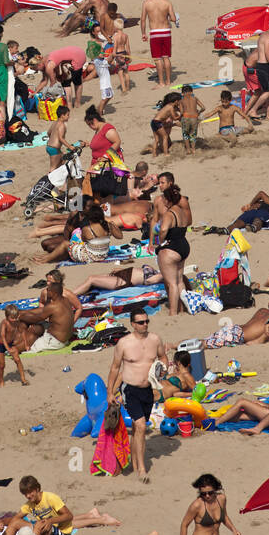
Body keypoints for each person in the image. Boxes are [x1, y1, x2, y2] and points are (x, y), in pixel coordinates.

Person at [107, 308, 166, 482]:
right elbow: (115, 368)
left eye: (147, 321)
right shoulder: (124, 343)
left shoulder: (155, 340)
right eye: (141, 322)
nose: (145, 324)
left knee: (137, 428)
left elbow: (163, 357)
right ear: (133, 324)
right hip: (129, 389)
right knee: (140, 426)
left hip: (147, 390)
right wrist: (110, 392)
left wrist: (162, 369)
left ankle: (133, 462)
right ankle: (141, 468)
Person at [153, 183, 190, 316]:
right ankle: (182, 308)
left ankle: (173, 312)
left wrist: (160, 241)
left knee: (171, 283)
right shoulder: (181, 211)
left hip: (171, 248)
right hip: (183, 245)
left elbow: (163, 229)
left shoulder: (169, 214)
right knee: (180, 281)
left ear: (167, 200)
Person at [16, 272, 75, 350]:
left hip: (55, 341)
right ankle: (19, 340)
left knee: (26, 341)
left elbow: (37, 318)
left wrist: (21, 317)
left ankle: (14, 347)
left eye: (49, 291)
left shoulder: (53, 306)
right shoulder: (66, 300)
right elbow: (42, 310)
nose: (47, 291)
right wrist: (24, 312)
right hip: (64, 339)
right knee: (35, 330)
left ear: (54, 293)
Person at [141, 0, 177, 89]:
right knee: (166, 57)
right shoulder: (167, 2)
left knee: (157, 59)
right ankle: (168, 81)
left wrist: (143, 33)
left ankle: (161, 82)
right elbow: (174, 19)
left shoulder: (147, 3)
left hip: (154, 33)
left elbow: (143, 20)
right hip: (166, 32)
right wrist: (168, 17)